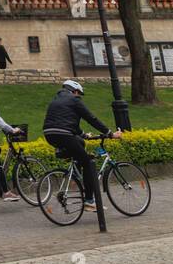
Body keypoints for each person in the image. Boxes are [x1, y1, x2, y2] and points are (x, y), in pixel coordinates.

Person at [42, 79, 122, 211]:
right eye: (79, 94)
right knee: (88, 163)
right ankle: (89, 201)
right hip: (65, 135)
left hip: (50, 135)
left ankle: (75, 174)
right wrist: (110, 133)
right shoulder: (74, 100)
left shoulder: (55, 101)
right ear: (74, 91)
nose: (79, 96)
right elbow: (91, 118)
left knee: (80, 142)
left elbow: (67, 123)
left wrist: (84, 135)